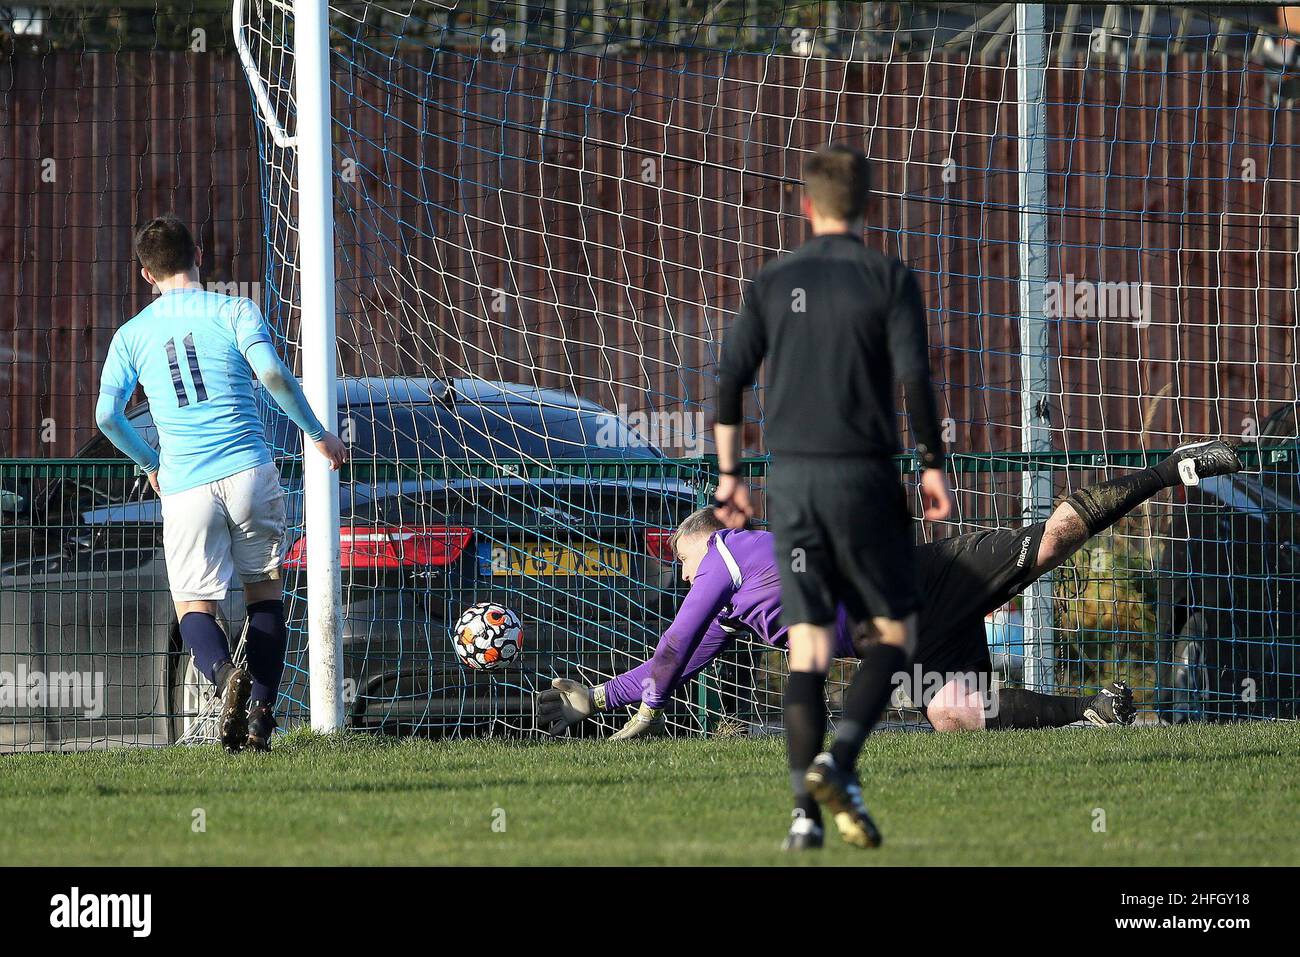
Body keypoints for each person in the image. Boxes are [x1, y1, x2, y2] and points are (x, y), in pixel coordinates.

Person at [539, 440, 1245, 850]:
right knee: (954, 715)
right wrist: (601, 694)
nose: (683, 575)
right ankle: (1093, 712)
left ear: (700, 541)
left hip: (931, 579)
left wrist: (648, 703)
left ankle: (1170, 468)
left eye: (681, 562)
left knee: (1054, 541)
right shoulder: (731, 607)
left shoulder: (724, 553)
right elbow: (676, 662)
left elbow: (670, 646)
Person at [709, 143, 953, 849]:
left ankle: (802, 817)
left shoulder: (772, 281)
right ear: (867, 203)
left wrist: (730, 480)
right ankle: (839, 760)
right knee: (897, 634)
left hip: (793, 484)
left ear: (805, 204)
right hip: (865, 478)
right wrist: (931, 464)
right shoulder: (888, 277)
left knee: (808, 650)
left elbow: (728, 382)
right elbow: (915, 380)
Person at [96, 215, 348, 752]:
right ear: (200, 254)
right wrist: (318, 434)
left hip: (186, 485)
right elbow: (274, 374)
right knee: (263, 594)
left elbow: (107, 417)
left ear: (146, 275)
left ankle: (220, 677)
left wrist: (151, 463)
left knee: (194, 606)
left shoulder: (131, 334)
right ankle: (259, 717)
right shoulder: (235, 309)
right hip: (249, 473)